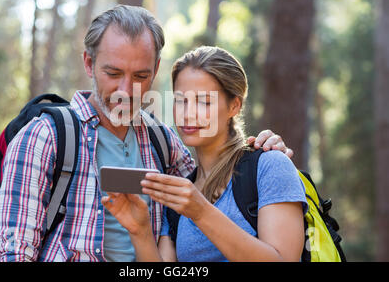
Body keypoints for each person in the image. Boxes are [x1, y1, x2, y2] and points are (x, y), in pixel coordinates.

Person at [0, 5, 292, 262]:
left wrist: (265, 149)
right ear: (88, 63)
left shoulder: (162, 142)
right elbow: (12, 251)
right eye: (113, 73)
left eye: (140, 76)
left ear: (156, 69)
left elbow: (215, 182)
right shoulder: (45, 137)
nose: (125, 90)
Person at [102, 46, 308, 262]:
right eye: (181, 100)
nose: (188, 113)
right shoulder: (178, 193)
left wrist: (201, 212)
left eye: (204, 101)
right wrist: (140, 232)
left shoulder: (269, 166)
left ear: (234, 106)